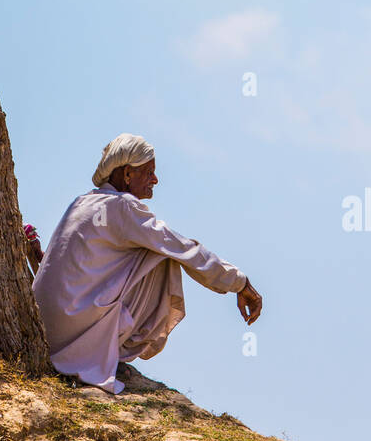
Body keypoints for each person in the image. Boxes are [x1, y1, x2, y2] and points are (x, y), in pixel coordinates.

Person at [31, 133, 262, 394]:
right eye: (149, 172)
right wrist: (239, 282)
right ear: (128, 174)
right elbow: (183, 247)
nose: (155, 179)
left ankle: (105, 343)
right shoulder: (123, 207)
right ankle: (114, 348)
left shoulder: (82, 201)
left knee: (158, 247)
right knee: (165, 253)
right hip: (71, 338)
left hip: (46, 329)